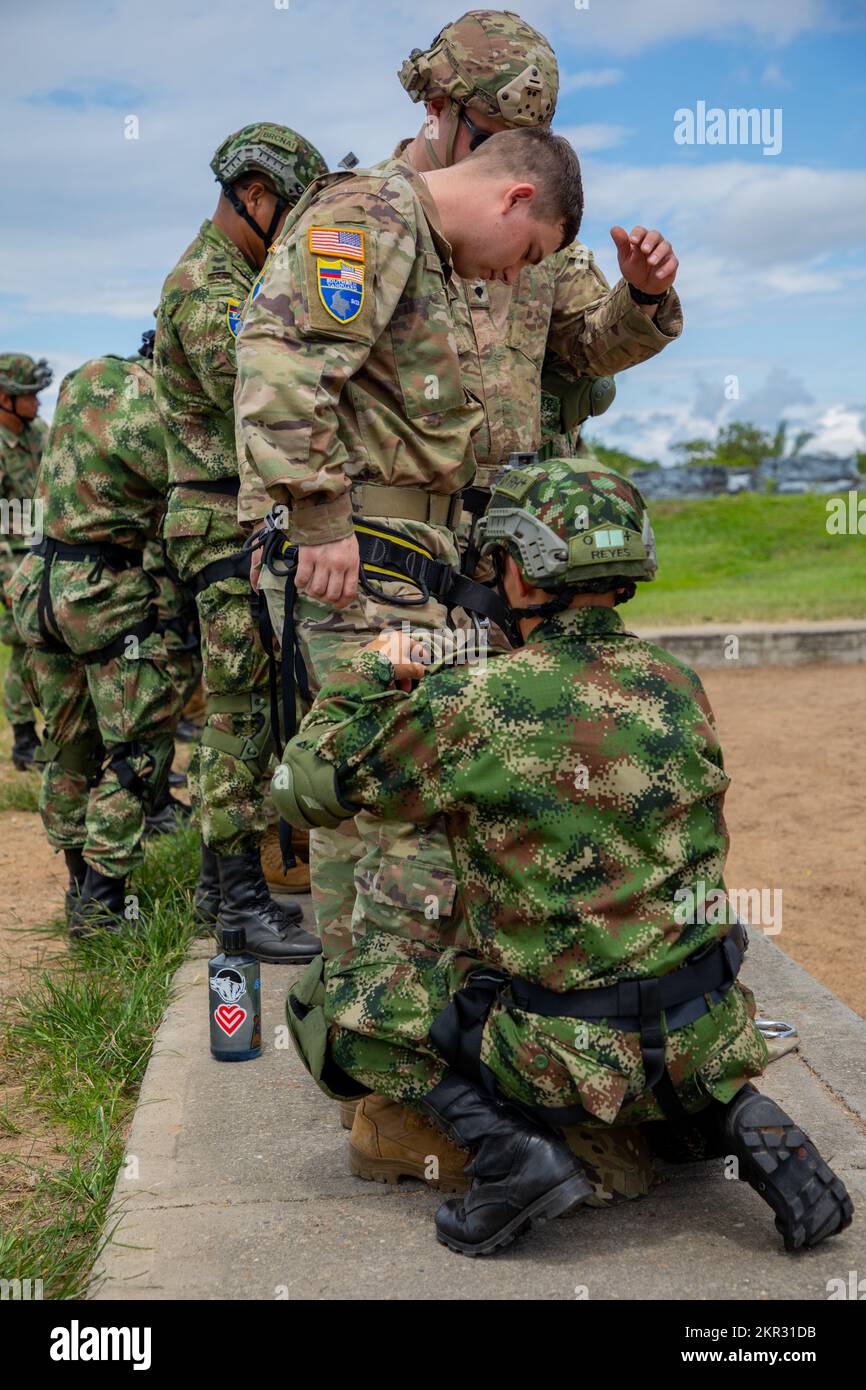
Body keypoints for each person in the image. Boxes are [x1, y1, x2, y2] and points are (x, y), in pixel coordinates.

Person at [271, 455, 853, 1257]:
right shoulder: (678, 680)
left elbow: (303, 789)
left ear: (517, 567)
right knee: (642, 964)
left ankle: (515, 1157)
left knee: (335, 999)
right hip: (704, 1028)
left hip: (562, 1054)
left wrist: (372, 670)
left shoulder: (477, 701)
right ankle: (727, 1110)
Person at [235, 126, 587, 990]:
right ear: (514, 199)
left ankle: (379, 1041)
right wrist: (319, 516)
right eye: (527, 252)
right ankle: (385, 1059)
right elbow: (282, 360)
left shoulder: (418, 240)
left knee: (375, 800)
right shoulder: (372, 212)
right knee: (396, 806)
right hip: (357, 557)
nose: (511, 276)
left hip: (401, 557)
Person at [154, 122, 325, 963]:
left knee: (248, 706)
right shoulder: (207, 289)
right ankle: (240, 908)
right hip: (219, 521)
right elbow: (262, 383)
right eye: (289, 214)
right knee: (238, 716)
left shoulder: (233, 281)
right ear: (253, 195)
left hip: (235, 519)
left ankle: (216, 891)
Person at [8, 341, 183, 932]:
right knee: (139, 743)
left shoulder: (86, 378)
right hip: (99, 590)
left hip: (40, 581)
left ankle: (81, 888)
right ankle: (107, 900)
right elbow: (183, 493)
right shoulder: (160, 403)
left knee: (71, 742)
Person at [0, 352, 52, 770]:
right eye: (29, 394)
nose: (37, 401)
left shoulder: (39, 434)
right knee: (21, 646)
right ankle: (22, 741)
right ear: (5, 398)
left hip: (40, 549)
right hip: (9, 558)